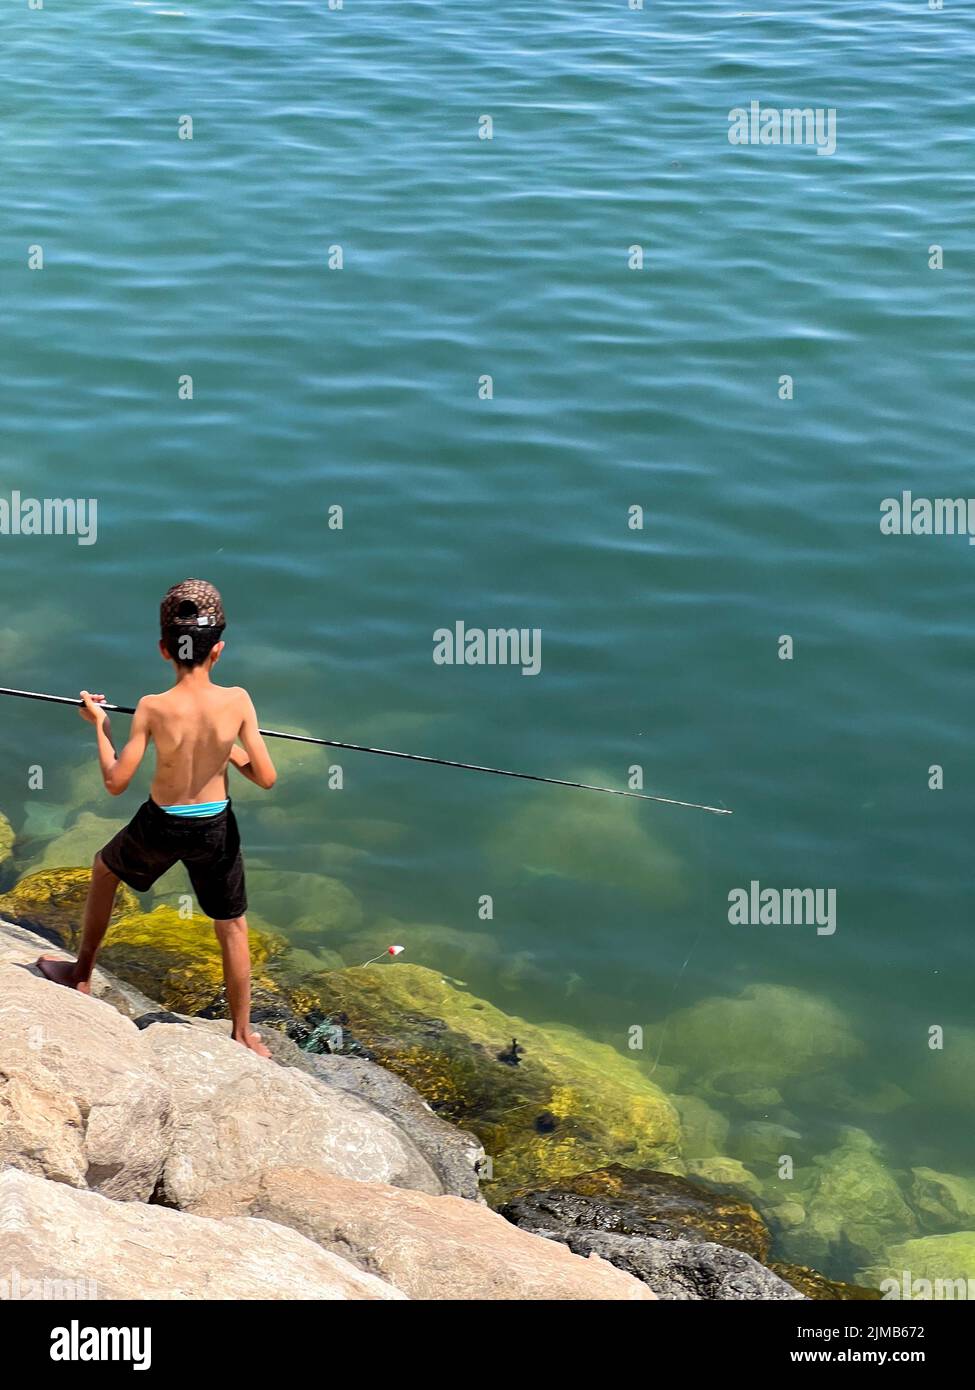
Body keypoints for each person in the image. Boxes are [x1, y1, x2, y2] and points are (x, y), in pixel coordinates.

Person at [36, 578, 277, 1057]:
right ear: (219, 651)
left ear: (164, 649)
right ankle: (243, 1033)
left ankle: (81, 973)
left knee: (105, 870)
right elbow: (266, 777)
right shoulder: (239, 701)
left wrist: (101, 728)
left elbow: (115, 782)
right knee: (232, 925)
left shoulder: (152, 707)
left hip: (163, 823)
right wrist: (228, 753)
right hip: (214, 827)